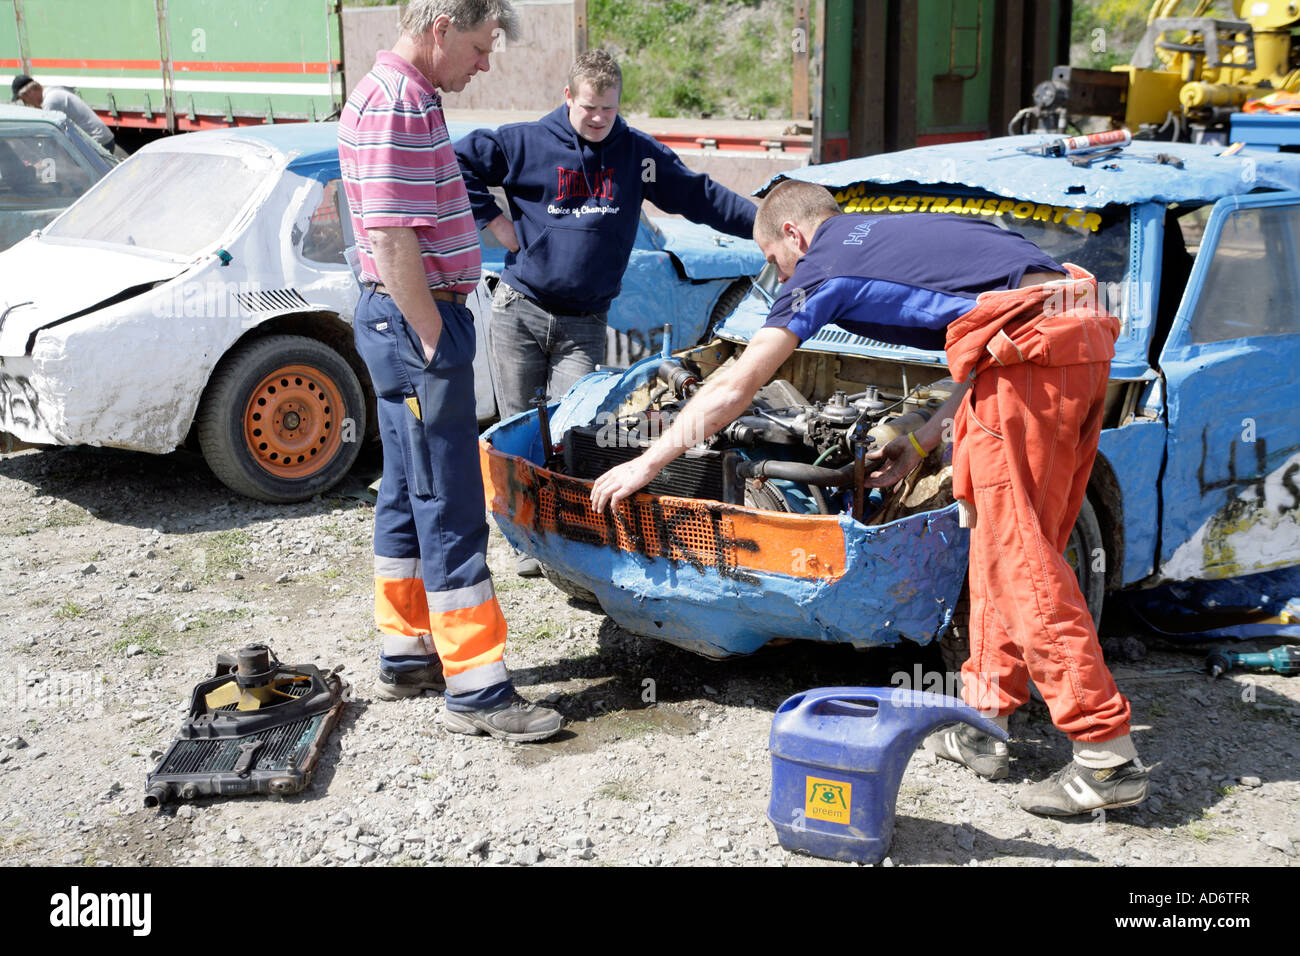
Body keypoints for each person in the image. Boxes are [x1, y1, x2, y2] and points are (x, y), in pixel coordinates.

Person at [589, 180, 1149, 816]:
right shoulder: (891, 232)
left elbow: (737, 384)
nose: (777, 278)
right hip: (1073, 345)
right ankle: (983, 723)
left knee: (1021, 560)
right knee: (1008, 547)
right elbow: (1007, 319)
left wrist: (648, 459)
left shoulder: (825, 264)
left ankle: (1106, 754)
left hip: (1031, 361)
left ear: (794, 236)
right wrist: (925, 438)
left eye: (774, 262)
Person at [337, 0, 561, 742]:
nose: (486, 61)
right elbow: (394, 234)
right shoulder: (400, 103)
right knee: (452, 501)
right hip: (416, 321)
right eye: (479, 44)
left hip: (401, 320)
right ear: (439, 30)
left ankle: (406, 650)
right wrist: (434, 342)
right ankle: (478, 688)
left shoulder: (396, 94)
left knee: (408, 488)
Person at [454, 48, 757, 575]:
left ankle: (566, 533)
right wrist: (495, 223)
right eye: (589, 107)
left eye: (609, 110)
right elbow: (457, 162)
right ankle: (526, 539)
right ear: (568, 97)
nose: (598, 119)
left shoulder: (636, 155)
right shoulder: (524, 142)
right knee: (521, 428)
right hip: (518, 308)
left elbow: (700, 197)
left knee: (575, 427)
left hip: (583, 322)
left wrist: (765, 225)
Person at [10, 74, 125, 156]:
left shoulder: (51, 101)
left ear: (29, 92)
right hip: (101, 140)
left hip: (98, 143)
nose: (26, 103)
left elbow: (52, 135)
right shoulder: (53, 93)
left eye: (23, 99)